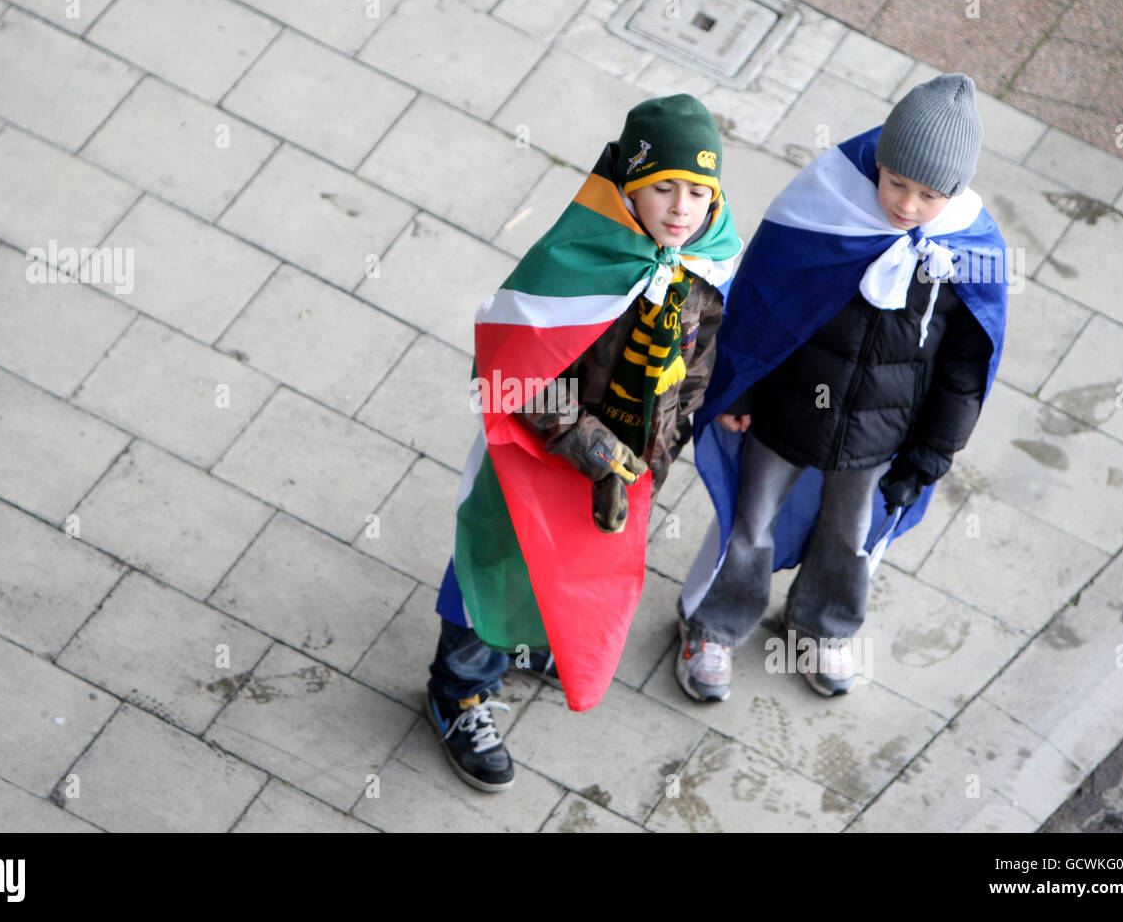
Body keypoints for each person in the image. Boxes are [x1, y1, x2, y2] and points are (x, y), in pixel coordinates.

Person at [426, 94, 744, 791]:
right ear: (629, 184)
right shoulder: (575, 256)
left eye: (699, 190)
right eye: (664, 187)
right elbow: (508, 366)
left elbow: (697, 364)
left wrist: (659, 449)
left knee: (565, 571)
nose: (683, 208)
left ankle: (526, 640)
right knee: (498, 564)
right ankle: (459, 690)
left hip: (629, 463)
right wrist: (589, 444)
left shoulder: (710, 259)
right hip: (539, 457)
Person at [677, 73, 1009, 703]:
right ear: (878, 161)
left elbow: (966, 367)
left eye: (930, 195)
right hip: (784, 415)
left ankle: (820, 629)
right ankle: (712, 626)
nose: (907, 206)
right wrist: (739, 388)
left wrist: (934, 452)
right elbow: (766, 302)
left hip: (880, 434)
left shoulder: (971, 248)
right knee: (747, 524)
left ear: (958, 191)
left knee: (851, 537)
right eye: (896, 183)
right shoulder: (825, 202)